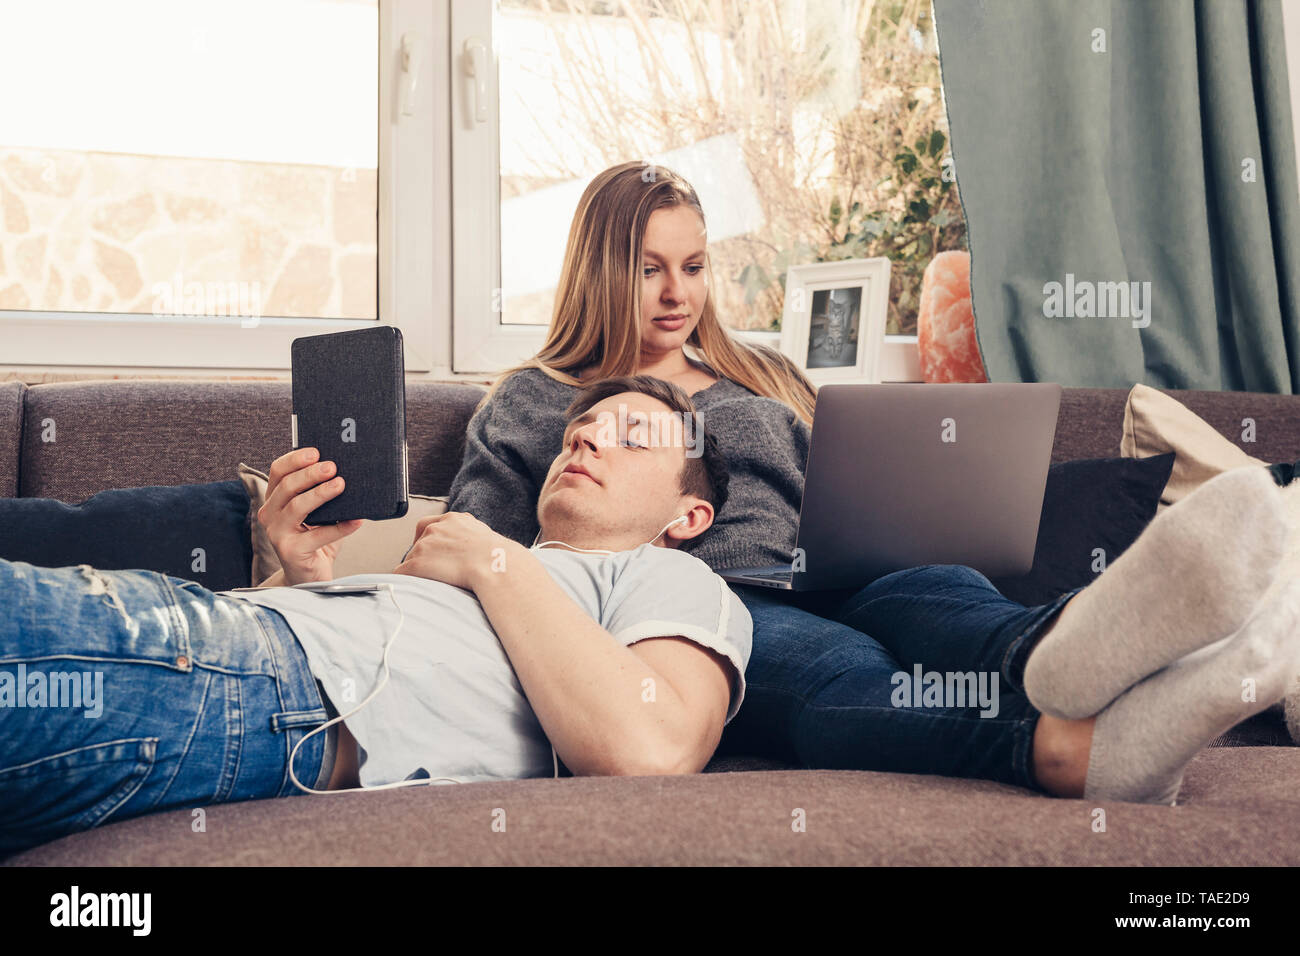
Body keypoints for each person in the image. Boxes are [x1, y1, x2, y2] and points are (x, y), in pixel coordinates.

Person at [441, 159, 1300, 806]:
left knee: (948, 599)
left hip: (847, 567)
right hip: (717, 603)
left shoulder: (762, 374)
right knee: (841, 681)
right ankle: (1075, 747)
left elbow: (852, 478)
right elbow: (472, 547)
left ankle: (1066, 646)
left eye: (695, 267)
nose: (678, 295)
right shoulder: (535, 400)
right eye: (649, 269)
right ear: (599, 268)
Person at [0, 377, 751, 857]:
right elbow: (367, 656)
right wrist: (301, 571)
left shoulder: (671, 577)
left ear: (690, 514)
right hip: (236, 651)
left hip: (258, 685)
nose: (585, 436)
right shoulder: (489, 573)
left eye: (630, 437)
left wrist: (494, 560)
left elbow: (649, 750)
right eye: (582, 428)